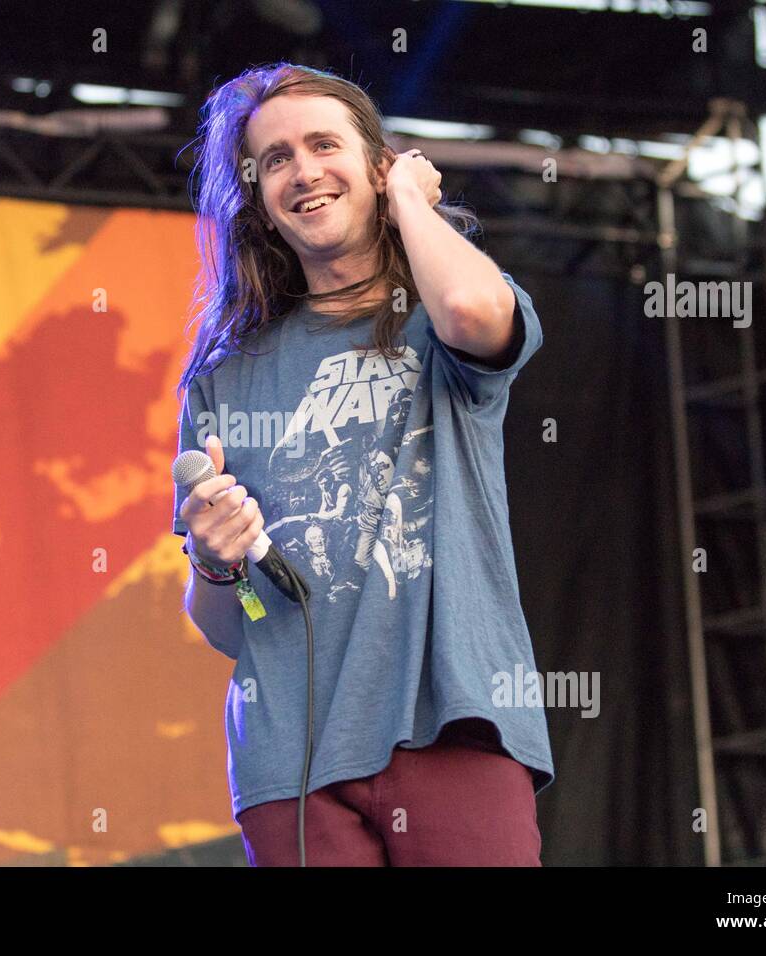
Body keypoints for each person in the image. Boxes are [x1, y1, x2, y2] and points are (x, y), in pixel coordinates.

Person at [171, 63, 553, 866]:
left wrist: (411, 197)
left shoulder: (443, 311)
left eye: (323, 144)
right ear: (258, 201)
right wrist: (214, 562)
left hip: (453, 717)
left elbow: (476, 315)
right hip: (291, 762)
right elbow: (225, 629)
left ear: (376, 165)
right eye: (275, 159)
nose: (303, 170)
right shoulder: (222, 378)